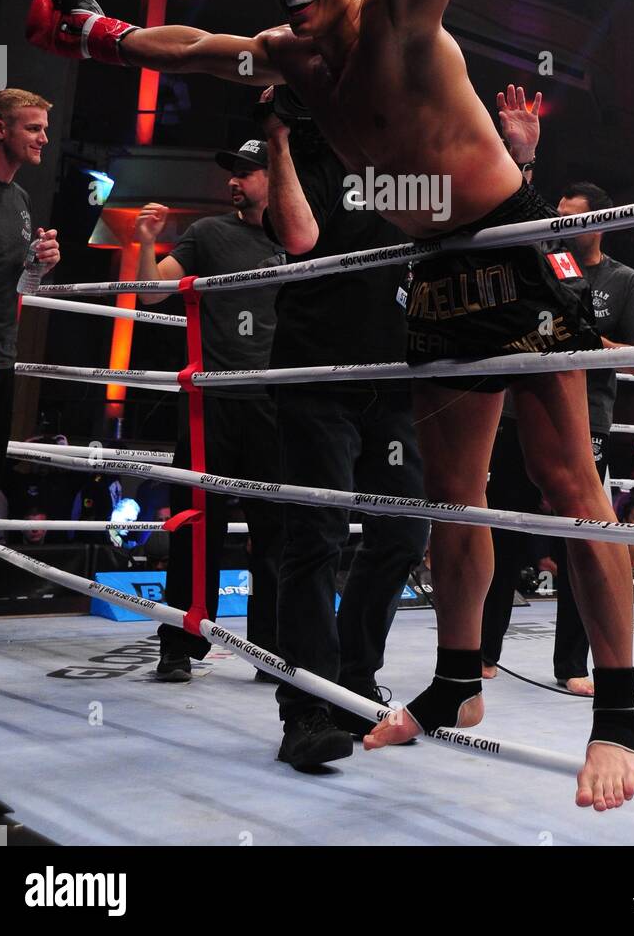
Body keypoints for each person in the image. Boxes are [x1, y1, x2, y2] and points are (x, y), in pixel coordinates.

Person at [27, 0, 634, 808]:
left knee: (567, 486)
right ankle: (459, 681)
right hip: (436, 272)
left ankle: (621, 717)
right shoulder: (287, 57)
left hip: (509, 243)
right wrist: (100, 34)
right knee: (452, 499)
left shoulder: (407, 12)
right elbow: (195, 43)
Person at [258, 89, 429, 770]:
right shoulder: (310, 151)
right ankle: (303, 711)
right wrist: (275, 141)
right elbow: (298, 237)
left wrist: (523, 159)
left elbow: (478, 222)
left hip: (390, 380)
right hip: (314, 374)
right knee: (317, 535)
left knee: (402, 532)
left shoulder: (411, 166)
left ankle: (353, 685)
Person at [479, 115, 634, 695]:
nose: (559, 222)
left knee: (578, 536)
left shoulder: (623, 281)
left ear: (597, 221)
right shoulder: (539, 264)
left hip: (588, 420)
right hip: (515, 412)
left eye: (570, 215)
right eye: (555, 214)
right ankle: (483, 653)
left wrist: (585, 340)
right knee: (500, 530)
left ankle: (574, 666)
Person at [134, 139, 284, 680]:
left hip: (276, 402)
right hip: (211, 404)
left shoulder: (302, 239)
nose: (233, 181)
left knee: (278, 533)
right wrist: (146, 242)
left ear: (275, 175)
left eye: (246, 171)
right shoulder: (208, 233)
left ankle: (274, 652)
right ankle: (179, 644)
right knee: (198, 527)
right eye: (233, 171)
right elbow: (151, 294)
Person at [0, 89, 61, 683]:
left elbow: (17, 286)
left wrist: (40, 264)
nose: (42, 138)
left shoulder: (22, 198)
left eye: (46, 128)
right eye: (32, 127)